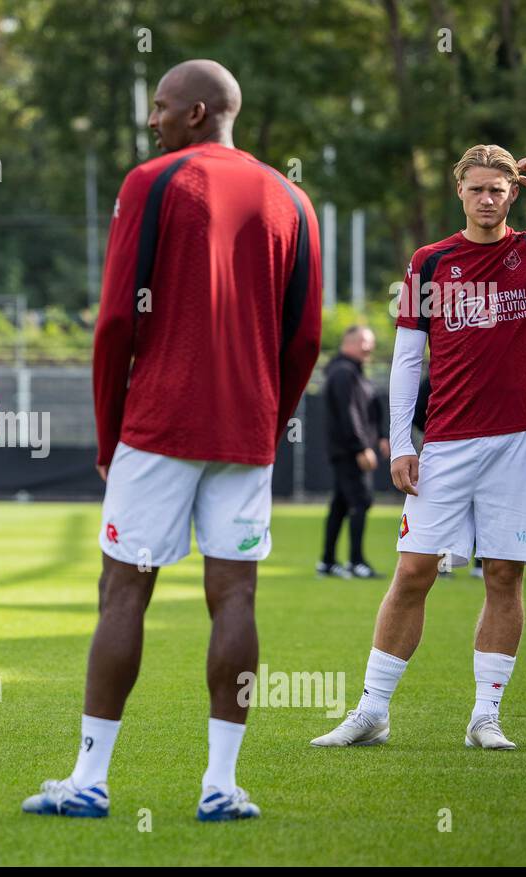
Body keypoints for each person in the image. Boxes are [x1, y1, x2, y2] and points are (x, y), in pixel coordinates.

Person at [22, 59, 322, 822]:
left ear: (195, 113)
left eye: (160, 107)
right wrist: (267, 413)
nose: (151, 120)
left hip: (157, 423)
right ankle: (222, 786)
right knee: (237, 597)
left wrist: (109, 429)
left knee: (125, 590)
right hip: (246, 429)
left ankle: (89, 781)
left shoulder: (152, 181)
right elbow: (304, 337)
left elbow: (117, 320)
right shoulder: (294, 200)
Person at [313, 145, 526, 752]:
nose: (487, 199)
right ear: (459, 194)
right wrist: (401, 442)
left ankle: (485, 716)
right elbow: (409, 359)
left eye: (499, 189)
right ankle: (372, 711)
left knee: (504, 574)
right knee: (413, 570)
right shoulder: (430, 262)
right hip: (447, 442)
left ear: (512, 194)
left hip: (521, 440)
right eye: (477, 190)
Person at [319, 325, 389, 579]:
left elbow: (370, 408)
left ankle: (327, 562)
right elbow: (349, 415)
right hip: (349, 451)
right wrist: (361, 447)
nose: (368, 347)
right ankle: (356, 562)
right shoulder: (343, 373)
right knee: (360, 501)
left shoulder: (354, 373)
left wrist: (381, 435)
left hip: (350, 449)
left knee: (340, 504)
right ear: (348, 344)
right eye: (363, 342)